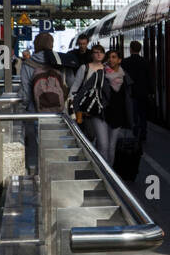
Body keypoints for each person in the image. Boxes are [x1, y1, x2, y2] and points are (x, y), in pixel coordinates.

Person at [18, 32, 68, 171]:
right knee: (58, 141)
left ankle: (44, 172)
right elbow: (68, 83)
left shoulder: (28, 63)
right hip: (58, 112)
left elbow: (26, 92)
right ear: (51, 44)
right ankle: (59, 170)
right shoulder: (59, 60)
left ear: (36, 45)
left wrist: (24, 107)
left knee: (42, 144)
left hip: (37, 111)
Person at [71, 44, 113, 163]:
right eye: (96, 52)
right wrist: (74, 106)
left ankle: (100, 165)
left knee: (103, 142)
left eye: (101, 52)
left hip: (105, 109)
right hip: (89, 109)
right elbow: (75, 86)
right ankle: (95, 164)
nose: (99, 54)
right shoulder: (85, 68)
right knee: (91, 136)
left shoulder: (107, 69)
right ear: (92, 54)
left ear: (104, 55)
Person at [101, 48, 137, 165]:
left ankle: (109, 171)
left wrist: (130, 118)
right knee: (104, 145)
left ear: (119, 60)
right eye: (109, 57)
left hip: (119, 114)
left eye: (114, 57)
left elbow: (128, 99)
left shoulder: (125, 77)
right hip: (104, 113)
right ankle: (105, 169)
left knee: (111, 145)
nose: (111, 60)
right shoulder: (101, 75)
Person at [123, 40, 151, 141]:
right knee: (143, 114)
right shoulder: (145, 62)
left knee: (133, 113)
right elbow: (149, 78)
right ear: (140, 50)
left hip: (131, 92)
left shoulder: (125, 62)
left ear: (130, 49)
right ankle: (143, 132)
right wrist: (151, 91)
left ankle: (135, 131)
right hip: (143, 92)